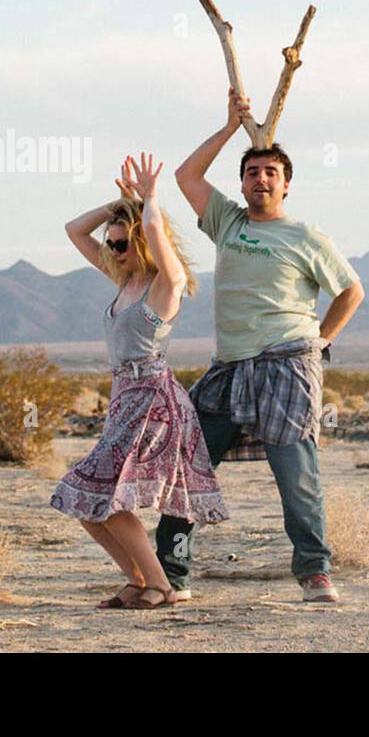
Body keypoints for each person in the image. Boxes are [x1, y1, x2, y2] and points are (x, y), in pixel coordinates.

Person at [157, 87, 364, 603]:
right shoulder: (227, 222)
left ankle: (315, 571)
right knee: (188, 465)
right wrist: (230, 127)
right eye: (252, 172)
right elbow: (186, 176)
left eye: (271, 172)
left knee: (297, 474)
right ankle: (173, 575)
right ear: (243, 182)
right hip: (229, 368)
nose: (261, 179)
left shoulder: (305, 237)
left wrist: (321, 341)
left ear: (287, 184)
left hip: (287, 364)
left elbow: (351, 291)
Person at [51, 153, 228, 609]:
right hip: (122, 401)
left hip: (154, 403)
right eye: (110, 244)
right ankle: (138, 579)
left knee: (107, 498)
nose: (113, 250)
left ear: (142, 242)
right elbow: (74, 229)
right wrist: (121, 202)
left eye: (121, 243)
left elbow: (154, 232)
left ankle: (162, 585)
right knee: (82, 496)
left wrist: (149, 200)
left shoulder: (164, 285)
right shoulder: (120, 278)